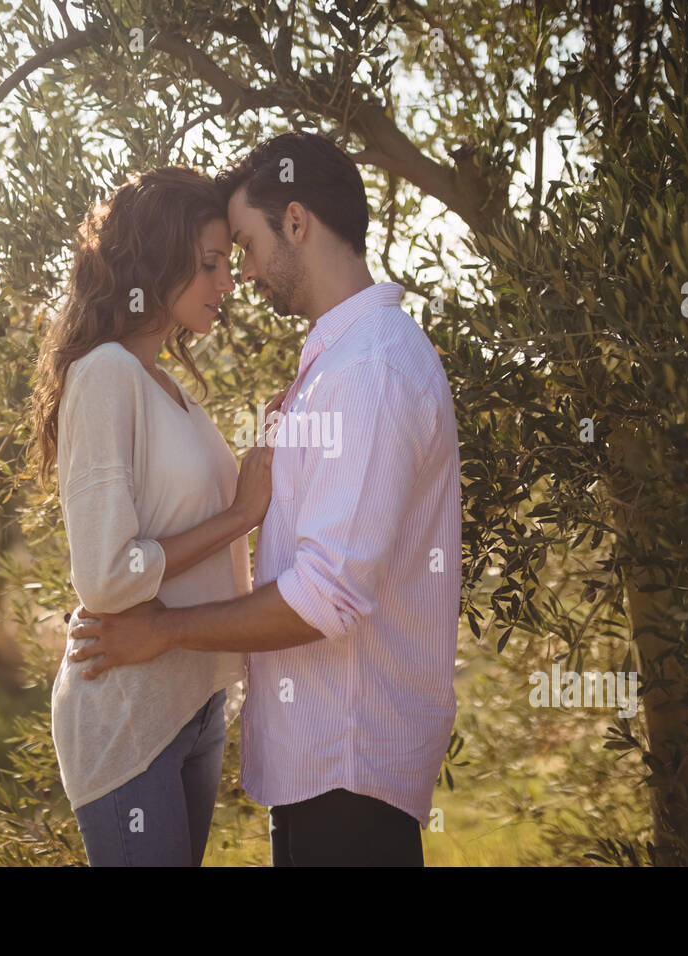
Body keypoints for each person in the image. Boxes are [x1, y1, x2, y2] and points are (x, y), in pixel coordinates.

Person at [68, 133, 462, 867]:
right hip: (327, 771)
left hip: (346, 772)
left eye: (244, 246)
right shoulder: (340, 364)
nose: (242, 274)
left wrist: (166, 630)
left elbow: (327, 595)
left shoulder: (368, 368)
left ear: (298, 223)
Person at [28, 165, 279, 866]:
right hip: (128, 715)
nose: (226, 285)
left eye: (227, 265)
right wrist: (240, 516)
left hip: (194, 704)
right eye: (208, 266)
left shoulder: (168, 387)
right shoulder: (106, 375)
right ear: (156, 262)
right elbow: (108, 579)